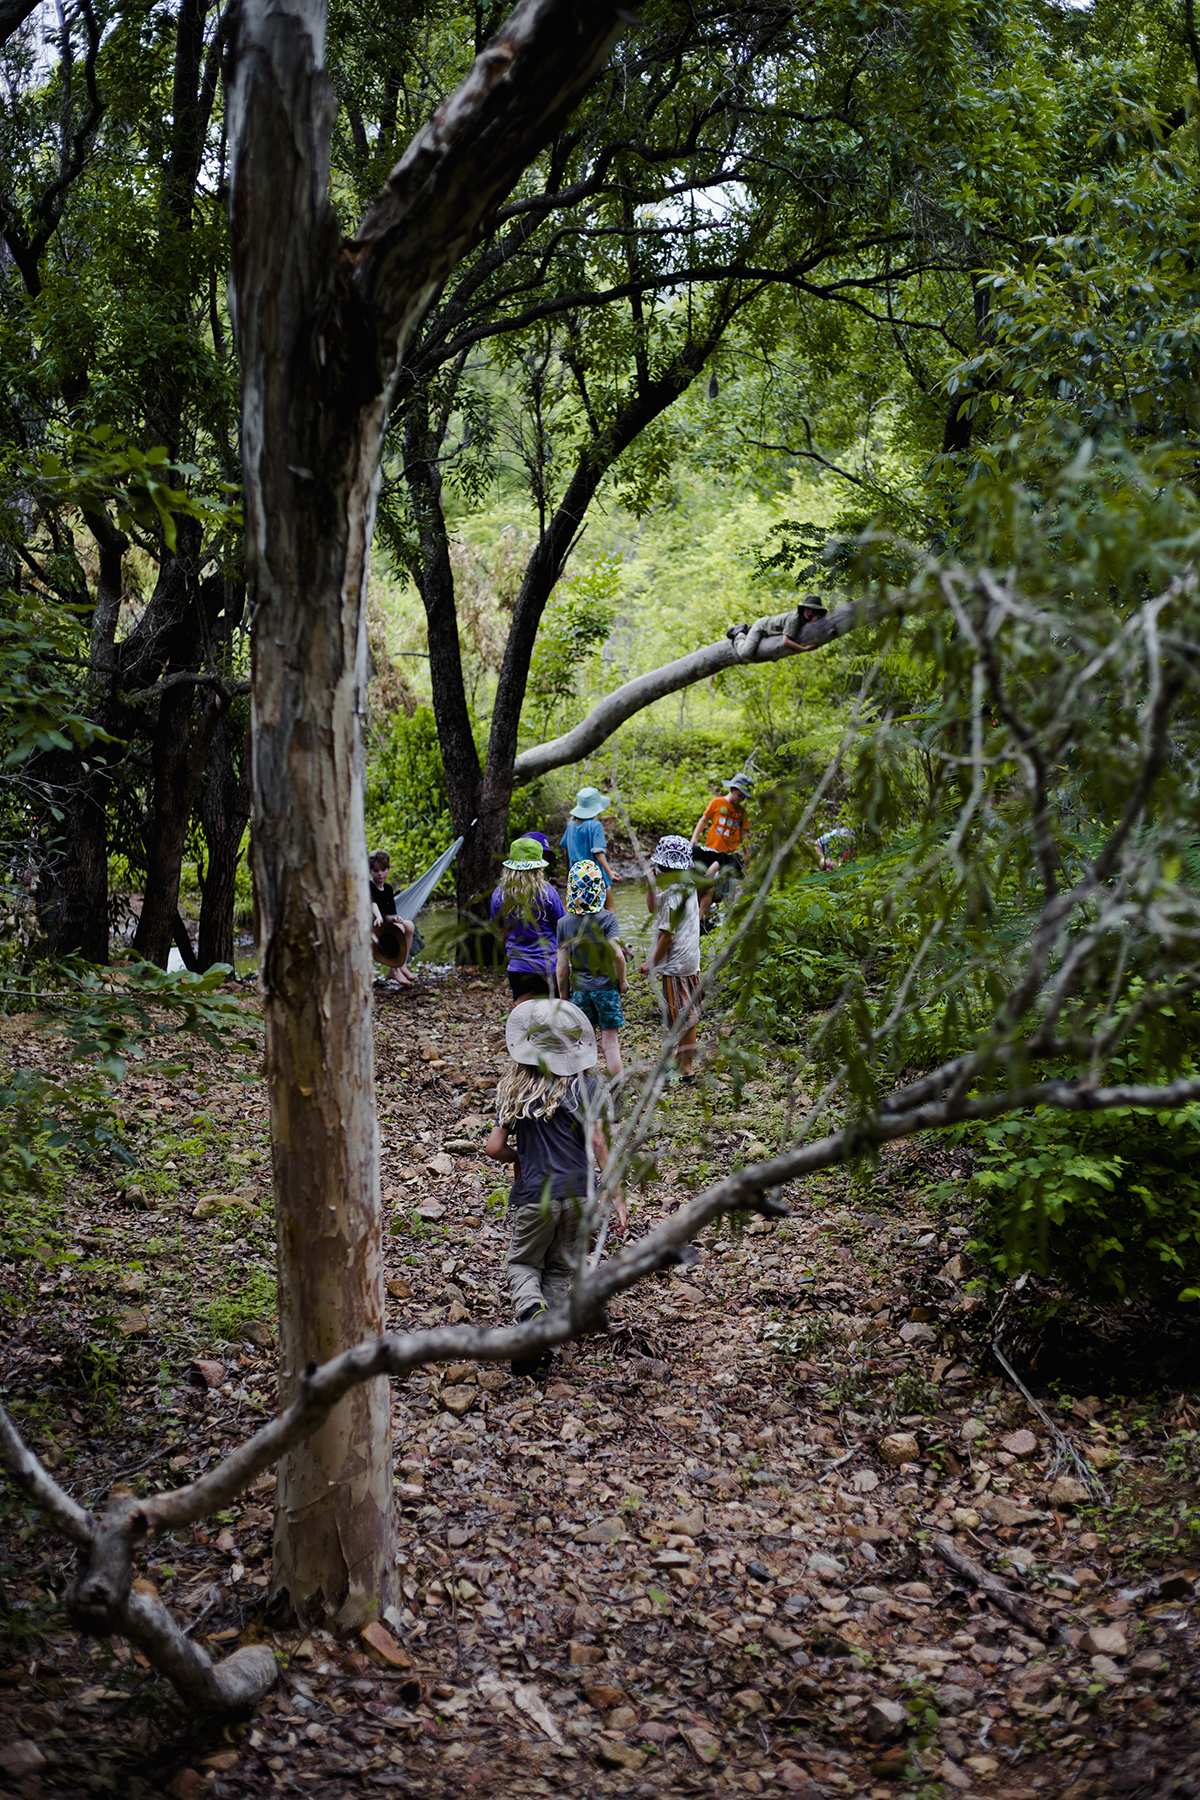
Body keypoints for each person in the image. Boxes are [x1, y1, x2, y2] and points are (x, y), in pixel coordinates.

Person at [485, 998, 627, 1375]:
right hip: (580, 1194)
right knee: (561, 1269)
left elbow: (493, 1147)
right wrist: (617, 1195)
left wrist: (518, 1159)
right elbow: (600, 1145)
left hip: (535, 1194)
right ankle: (542, 1340)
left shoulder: (514, 1088)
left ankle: (531, 1312)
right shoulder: (589, 1086)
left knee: (523, 1262)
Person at [555, 859, 627, 1078]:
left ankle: (586, 1086)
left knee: (583, 1042)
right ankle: (617, 1086)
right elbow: (618, 955)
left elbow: (561, 967)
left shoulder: (564, 923)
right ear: (599, 891)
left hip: (580, 991)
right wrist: (622, 982)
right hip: (606, 988)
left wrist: (563, 995)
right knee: (610, 1042)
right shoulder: (608, 919)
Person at [643, 834, 702, 1082]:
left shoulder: (671, 897)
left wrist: (651, 963)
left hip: (675, 964)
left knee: (683, 1017)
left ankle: (686, 1067)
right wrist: (651, 885)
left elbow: (666, 937)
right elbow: (652, 908)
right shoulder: (687, 886)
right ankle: (682, 1060)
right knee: (687, 1013)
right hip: (690, 960)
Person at [489, 836, 565, 1001]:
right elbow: (562, 928)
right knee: (553, 1015)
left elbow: (498, 931)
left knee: (524, 1016)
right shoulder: (548, 893)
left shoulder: (499, 895)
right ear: (539, 868)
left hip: (518, 967)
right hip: (549, 965)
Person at [690, 771, 753, 920]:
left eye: (744, 797)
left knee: (726, 887)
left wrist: (747, 854)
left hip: (729, 853)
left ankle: (717, 916)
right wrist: (694, 839)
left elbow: (744, 835)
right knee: (707, 882)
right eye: (739, 795)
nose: (741, 799)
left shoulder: (742, 812)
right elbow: (704, 820)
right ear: (732, 789)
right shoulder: (717, 802)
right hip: (712, 849)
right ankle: (700, 916)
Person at [726, 597, 827, 661]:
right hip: (761, 627)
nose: (810, 613)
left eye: (814, 611)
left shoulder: (806, 619)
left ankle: (746, 632)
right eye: (808, 609)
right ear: (804, 609)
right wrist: (804, 649)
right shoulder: (794, 619)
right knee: (745, 653)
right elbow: (786, 641)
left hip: (770, 630)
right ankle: (739, 633)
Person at [368, 850, 415, 988]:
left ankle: (402, 964)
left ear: (388, 870)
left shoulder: (388, 889)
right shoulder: (369, 887)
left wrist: (395, 917)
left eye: (383, 870)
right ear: (371, 871)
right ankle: (394, 970)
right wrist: (377, 915)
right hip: (374, 926)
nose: (380, 873)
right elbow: (373, 903)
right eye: (376, 870)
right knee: (399, 928)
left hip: (386, 923)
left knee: (409, 925)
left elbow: (389, 913)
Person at [560, 786, 619, 888]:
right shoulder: (595, 826)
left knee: (581, 904)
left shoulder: (571, 825)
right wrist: (609, 872)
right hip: (595, 876)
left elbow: (564, 846)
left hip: (576, 877)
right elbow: (598, 853)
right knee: (609, 904)